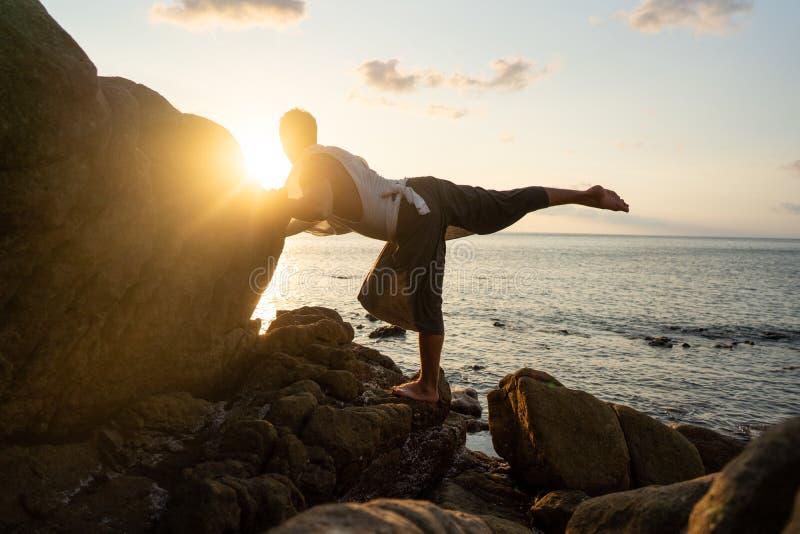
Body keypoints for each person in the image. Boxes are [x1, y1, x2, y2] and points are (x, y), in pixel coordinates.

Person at [278, 108, 629, 402]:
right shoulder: (331, 155)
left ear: (287, 140)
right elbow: (325, 212)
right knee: (502, 201)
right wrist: (281, 224)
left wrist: (273, 210)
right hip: (426, 190)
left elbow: (316, 205)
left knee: (419, 296)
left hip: (415, 215)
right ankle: (585, 195)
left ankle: (428, 386)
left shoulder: (309, 168)